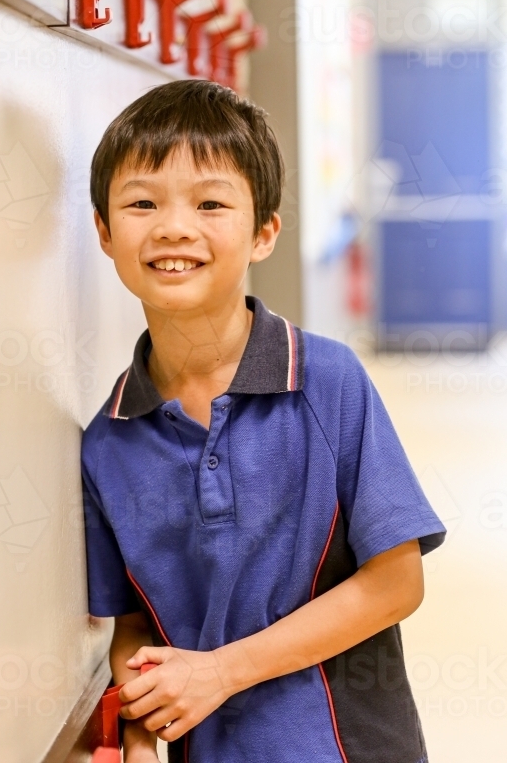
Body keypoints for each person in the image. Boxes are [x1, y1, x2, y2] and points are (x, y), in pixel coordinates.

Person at [81, 79, 446, 763]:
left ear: (263, 233)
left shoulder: (328, 382)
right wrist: (136, 729)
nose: (173, 227)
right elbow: (132, 624)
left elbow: (397, 582)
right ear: (104, 231)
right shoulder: (108, 440)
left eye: (211, 203)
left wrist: (221, 672)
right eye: (141, 203)